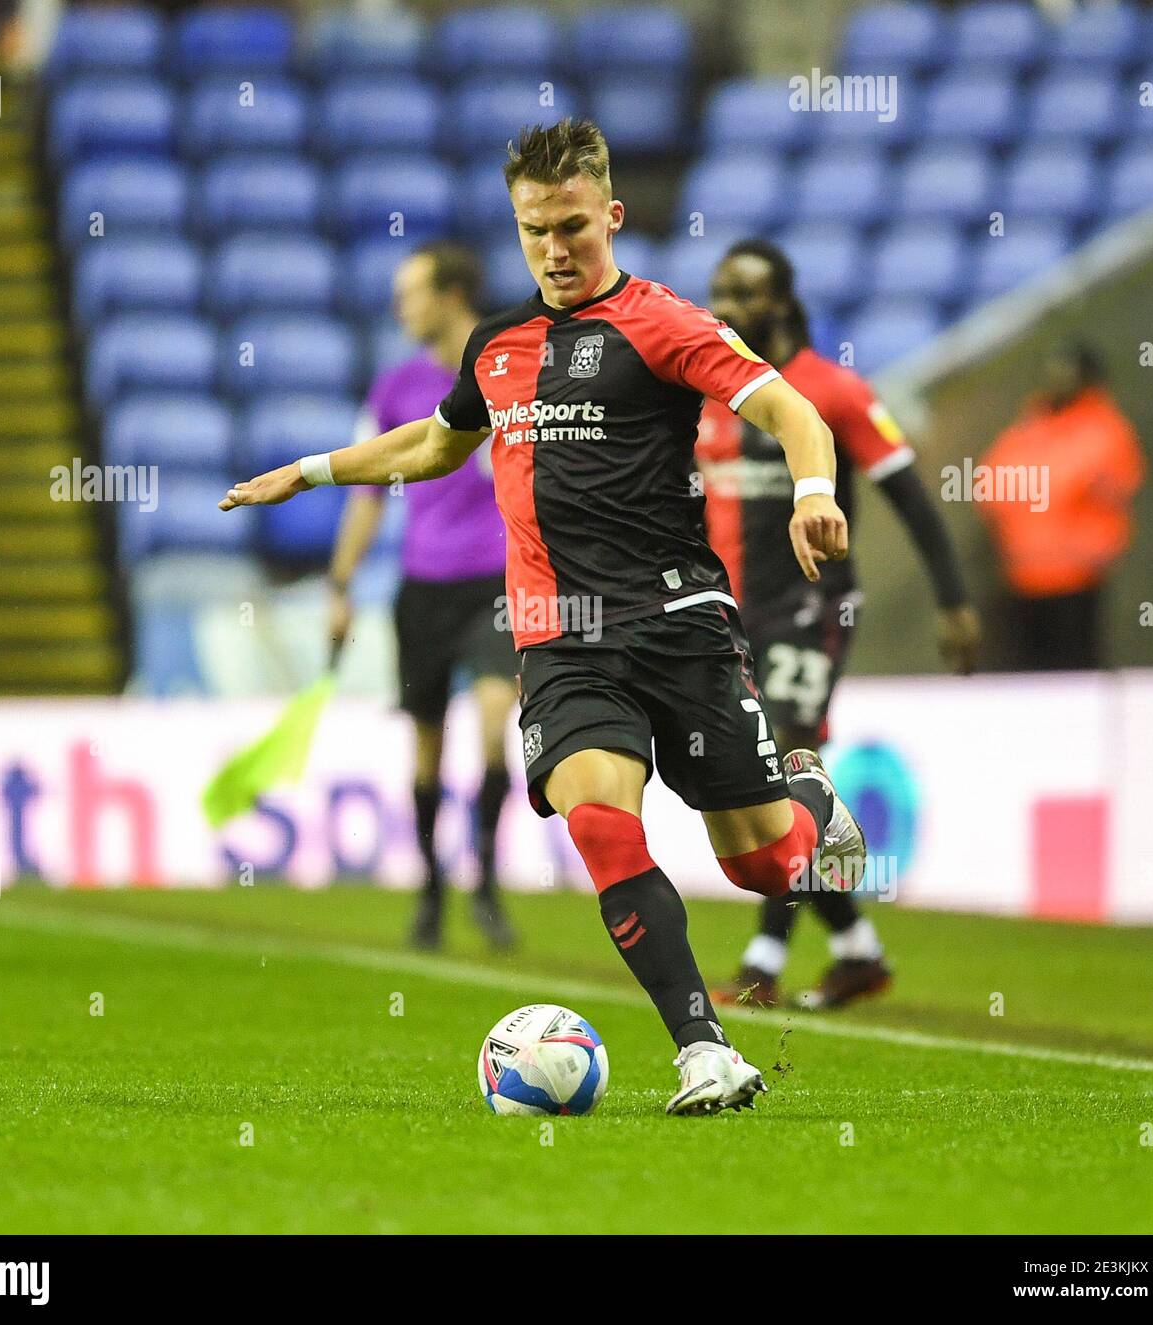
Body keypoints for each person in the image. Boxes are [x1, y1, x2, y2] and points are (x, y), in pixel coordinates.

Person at [219, 118, 866, 1116]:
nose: (556, 250)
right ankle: (702, 1049)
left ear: (610, 215)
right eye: (534, 231)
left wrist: (815, 490)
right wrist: (309, 472)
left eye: (572, 226)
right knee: (600, 822)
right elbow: (434, 447)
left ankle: (811, 798)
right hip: (559, 636)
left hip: (677, 621)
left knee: (763, 861)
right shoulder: (497, 346)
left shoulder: (663, 323)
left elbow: (790, 410)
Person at [697, 240, 981, 1011]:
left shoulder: (834, 391)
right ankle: (858, 949)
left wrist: (953, 602)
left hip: (812, 608)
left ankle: (764, 960)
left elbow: (911, 498)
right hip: (731, 617)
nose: (726, 306)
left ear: (784, 302)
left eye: (745, 293)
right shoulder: (714, 393)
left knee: (787, 763)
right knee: (762, 784)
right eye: (719, 290)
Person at [327, 242, 518, 952]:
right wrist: (341, 585)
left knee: (499, 719)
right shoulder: (395, 388)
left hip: (498, 580)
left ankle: (489, 881)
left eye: (409, 292)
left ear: (448, 295)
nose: (399, 306)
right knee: (428, 749)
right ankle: (433, 887)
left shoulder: (509, 368)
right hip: (423, 588)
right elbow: (368, 497)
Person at [979, 340, 1144, 671]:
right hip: (1023, 574)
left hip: (1078, 575)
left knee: (1077, 667)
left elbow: (1109, 485)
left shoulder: (1103, 427)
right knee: (1032, 675)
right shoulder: (1030, 427)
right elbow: (990, 484)